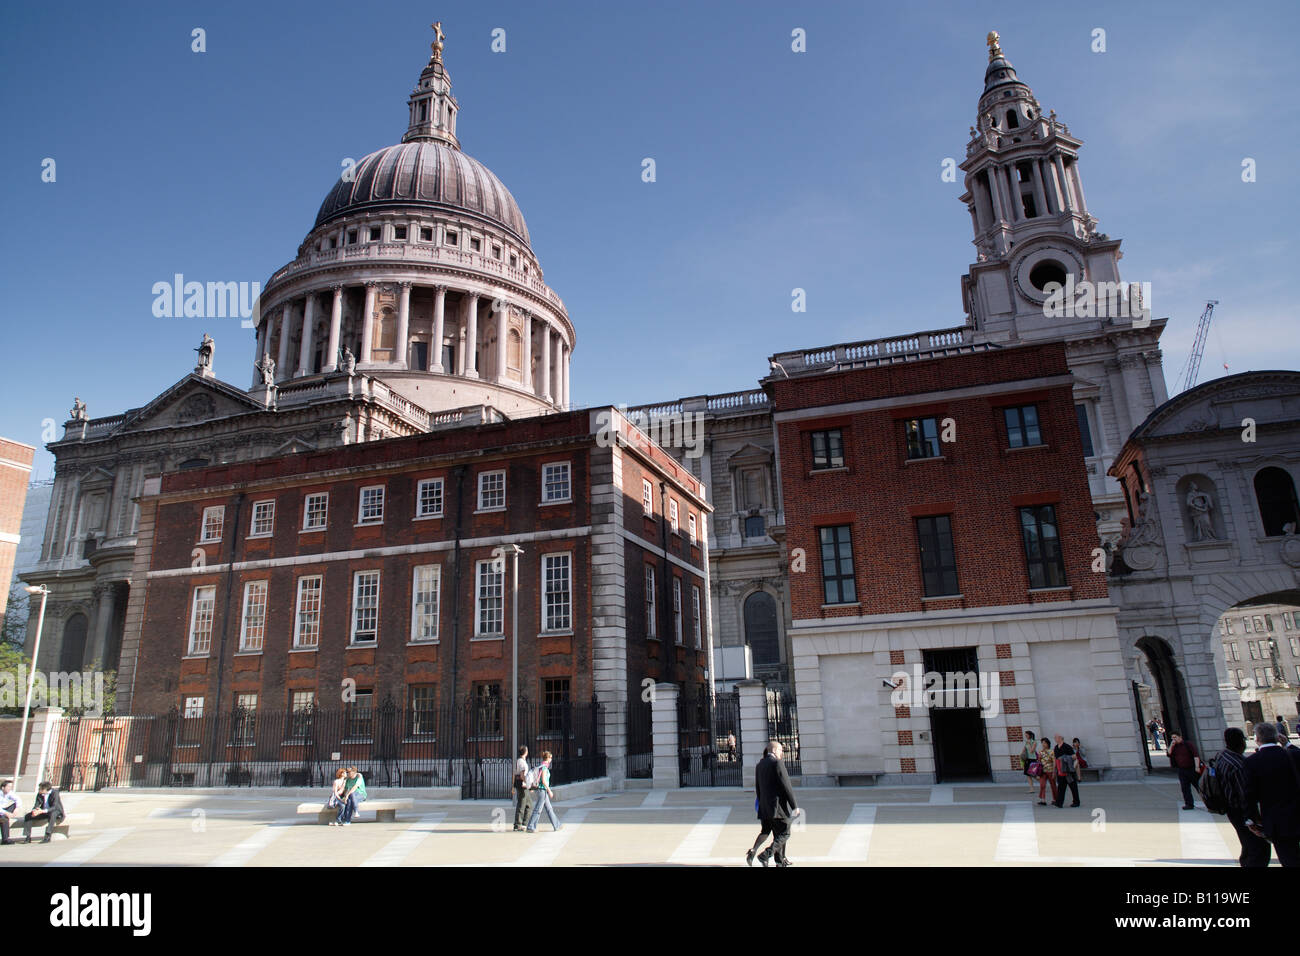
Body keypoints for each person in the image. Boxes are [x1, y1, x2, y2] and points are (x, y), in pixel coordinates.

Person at [1243, 722, 1300, 867]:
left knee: (1289, 858)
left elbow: (1249, 795)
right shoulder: (1293, 754)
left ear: (1256, 739)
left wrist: (1251, 820)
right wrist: (1287, 744)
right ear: (1277, 737)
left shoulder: (1252, 762)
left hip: (1277, 821)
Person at [1214, 727, 1271, 867]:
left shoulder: (1222, 755)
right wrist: (1252, 820)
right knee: (1258, 849)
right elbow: (1245, 795)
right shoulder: (1238, 765)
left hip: (1231, 809)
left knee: (1248, 846)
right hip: (1242, 812)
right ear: (1242, 742)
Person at [751, 739, 799, 867]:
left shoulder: (759, 765)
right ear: (774, 750)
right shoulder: (777, 763)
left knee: (778, 833)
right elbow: (787, 786)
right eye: (781, 750)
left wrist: (761, 804)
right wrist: (794, 806)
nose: (782, 753)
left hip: (765, 806)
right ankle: (766, 854)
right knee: (785, 832)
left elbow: (758, 788)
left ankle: (780, 860)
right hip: (777, 806)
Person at [526, 751, 562, 832]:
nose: (551, 760)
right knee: (538, 809)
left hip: (542, 790)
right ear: (548, 758)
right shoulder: (544, 768)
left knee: (549, 809)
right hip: (542, 790)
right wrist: (550, 791)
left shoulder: (541, 766)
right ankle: (531, 826)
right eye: (551, 758)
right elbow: (544, 781)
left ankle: (557, 825)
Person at [1168, 734, 1202, 810]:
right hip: (1182, 770)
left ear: (1180, 737)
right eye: (1172, 738)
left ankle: (1209, 802)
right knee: (1185, 788)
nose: (1174, 739)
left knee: (1199, 787)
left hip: (1192, 769)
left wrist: (1197, 767)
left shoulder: (1188, 744)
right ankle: (1189, 804)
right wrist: (1171, 745)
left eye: (1175, 737)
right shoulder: (1174, 747)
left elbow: (1195, 755)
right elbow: (1169, 754)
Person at [1052, 735, 1081, 808]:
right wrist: (1054, 771)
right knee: (1061, 787)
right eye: (1055, 738)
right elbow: (1055, 759)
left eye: (1056, 737)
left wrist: (1065, 759)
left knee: (1073, 787)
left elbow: (1074, 757)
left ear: (1061, 738)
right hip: (1060, 771)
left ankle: (1076, 802)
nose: (1055, 739)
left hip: (1068, 771)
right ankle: (1059, 803)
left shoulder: (1067, 746)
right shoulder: (1056, 747)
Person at [513, 746, 533, 831]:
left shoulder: (520, 761)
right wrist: (529, 784)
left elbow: (514, 774)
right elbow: (522, 775)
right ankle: (518, 824)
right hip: (523, 785)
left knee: (528, 804)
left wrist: (513, 786)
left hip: (521, 785)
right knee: (522, 804)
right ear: (525, 752)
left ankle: (523, 823)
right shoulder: (522, 762)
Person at [1036, 736, 1058, 806]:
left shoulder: (1052, 751)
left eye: (1045, 743)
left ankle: (1055, 799)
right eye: (1042, 743)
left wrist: (1054, 770)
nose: (1043, 744)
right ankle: (1043, 800)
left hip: (1050, 770)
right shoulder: (1040, 752)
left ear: (1048, 744)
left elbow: (1054, 761)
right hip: (1042, 771)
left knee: (1053, 785)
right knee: (1042, 785)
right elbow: (1038, 762)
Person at [0, 781, 22, 845]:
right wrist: (6, 813)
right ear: (3, 788)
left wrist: (17, 808)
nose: (10, 788)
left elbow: (18, 799)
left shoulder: (9, 793)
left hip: (3, 811)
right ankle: (6, 839)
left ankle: (6, 839)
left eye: (11, 787)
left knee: (15, 804)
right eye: (8, 786)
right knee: (4, 818)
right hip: (1, 811)